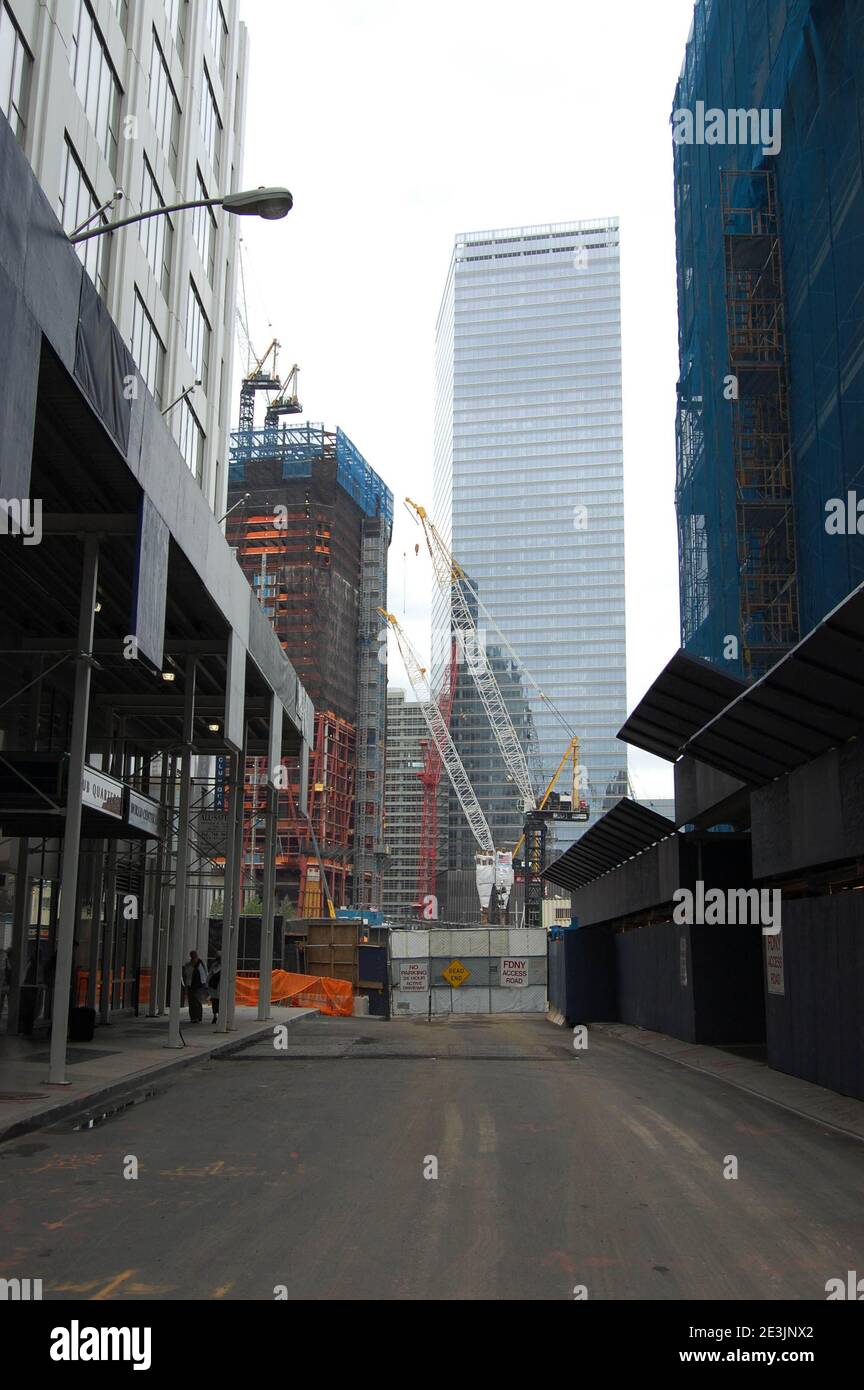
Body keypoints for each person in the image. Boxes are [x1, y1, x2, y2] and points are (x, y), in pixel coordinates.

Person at [182, 950, 208, 1023]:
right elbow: (186, 974)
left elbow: (206, 973)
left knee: (198, 1001)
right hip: (191, 985)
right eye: (192, 956)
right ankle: (193, 1018)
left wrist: (206, 984)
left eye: (195, 956)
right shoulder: (188, 965)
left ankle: (199, 1017)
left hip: (200, 986)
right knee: (191, 1002)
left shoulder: (202, 963)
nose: (194, 957)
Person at [208, 951, 222, 1026]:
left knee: (215, 1002)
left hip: (214, 987)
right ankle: (217, 1016)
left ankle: (215, 1016)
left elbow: (209, 975)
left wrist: (207, 983)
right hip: (218, 987)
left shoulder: (214, 965)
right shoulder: (224, 966)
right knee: (219, 1002)